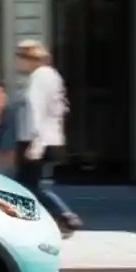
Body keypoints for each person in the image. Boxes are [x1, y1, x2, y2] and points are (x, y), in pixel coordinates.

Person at [14, 40, 80, 237]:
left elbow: (37, 109)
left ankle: (64, 215)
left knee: (27, 186)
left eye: (19, 57)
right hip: (51, 138)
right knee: (36, 184)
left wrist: (36, 142)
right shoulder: (52, 75)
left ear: (28, 58)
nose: (17, 62)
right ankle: (46, 222)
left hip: (35, 139)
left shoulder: (38, 77)